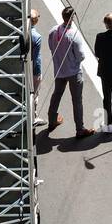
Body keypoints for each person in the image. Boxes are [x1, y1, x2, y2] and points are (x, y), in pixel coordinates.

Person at [46, 7, 93, 139]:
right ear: (72, 18)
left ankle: (52, 121)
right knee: (77, 100)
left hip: (59, 70)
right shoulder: (74, 34)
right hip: (73, 72)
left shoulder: (53, 31)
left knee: (56, 95)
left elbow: (51, 47)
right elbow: (81, 56)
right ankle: (80, 129)